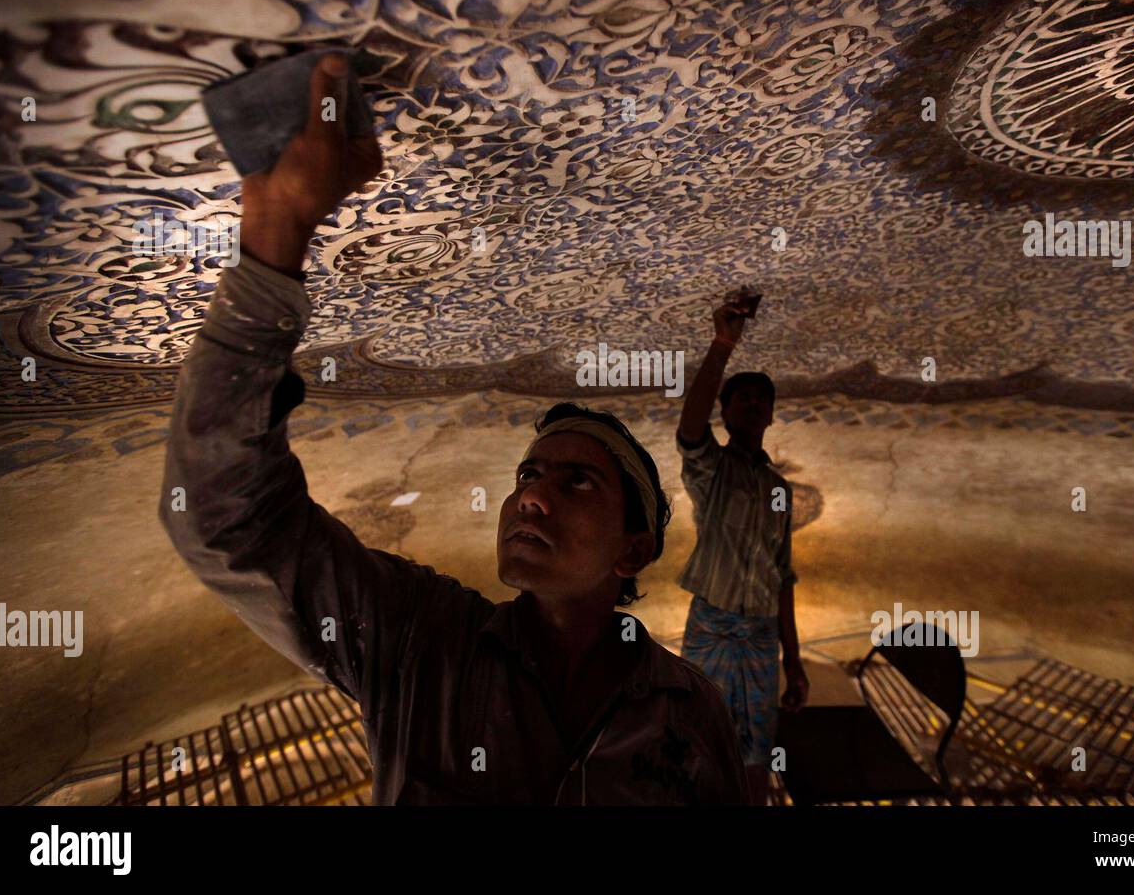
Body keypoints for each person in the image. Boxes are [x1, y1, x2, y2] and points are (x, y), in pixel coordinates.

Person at [158, 53, 747, 805]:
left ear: (634, 547)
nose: (531, 498)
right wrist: (279, 228)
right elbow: (228, 521)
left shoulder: (692, 712)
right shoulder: (415, 639)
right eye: (527, 476)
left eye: (576, 482)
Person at [675, 295, 810, 804]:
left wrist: (793, 661)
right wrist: (721, 346)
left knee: (756, 748)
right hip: (710, 622)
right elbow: (689, 432)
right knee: (696, 733)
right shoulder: (712, 470)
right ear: (727, 413)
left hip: (759, 635)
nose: (754, 404)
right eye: (742, 398)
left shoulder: (781, 490)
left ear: (771, 415)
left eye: (762, 399)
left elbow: (783, 578)